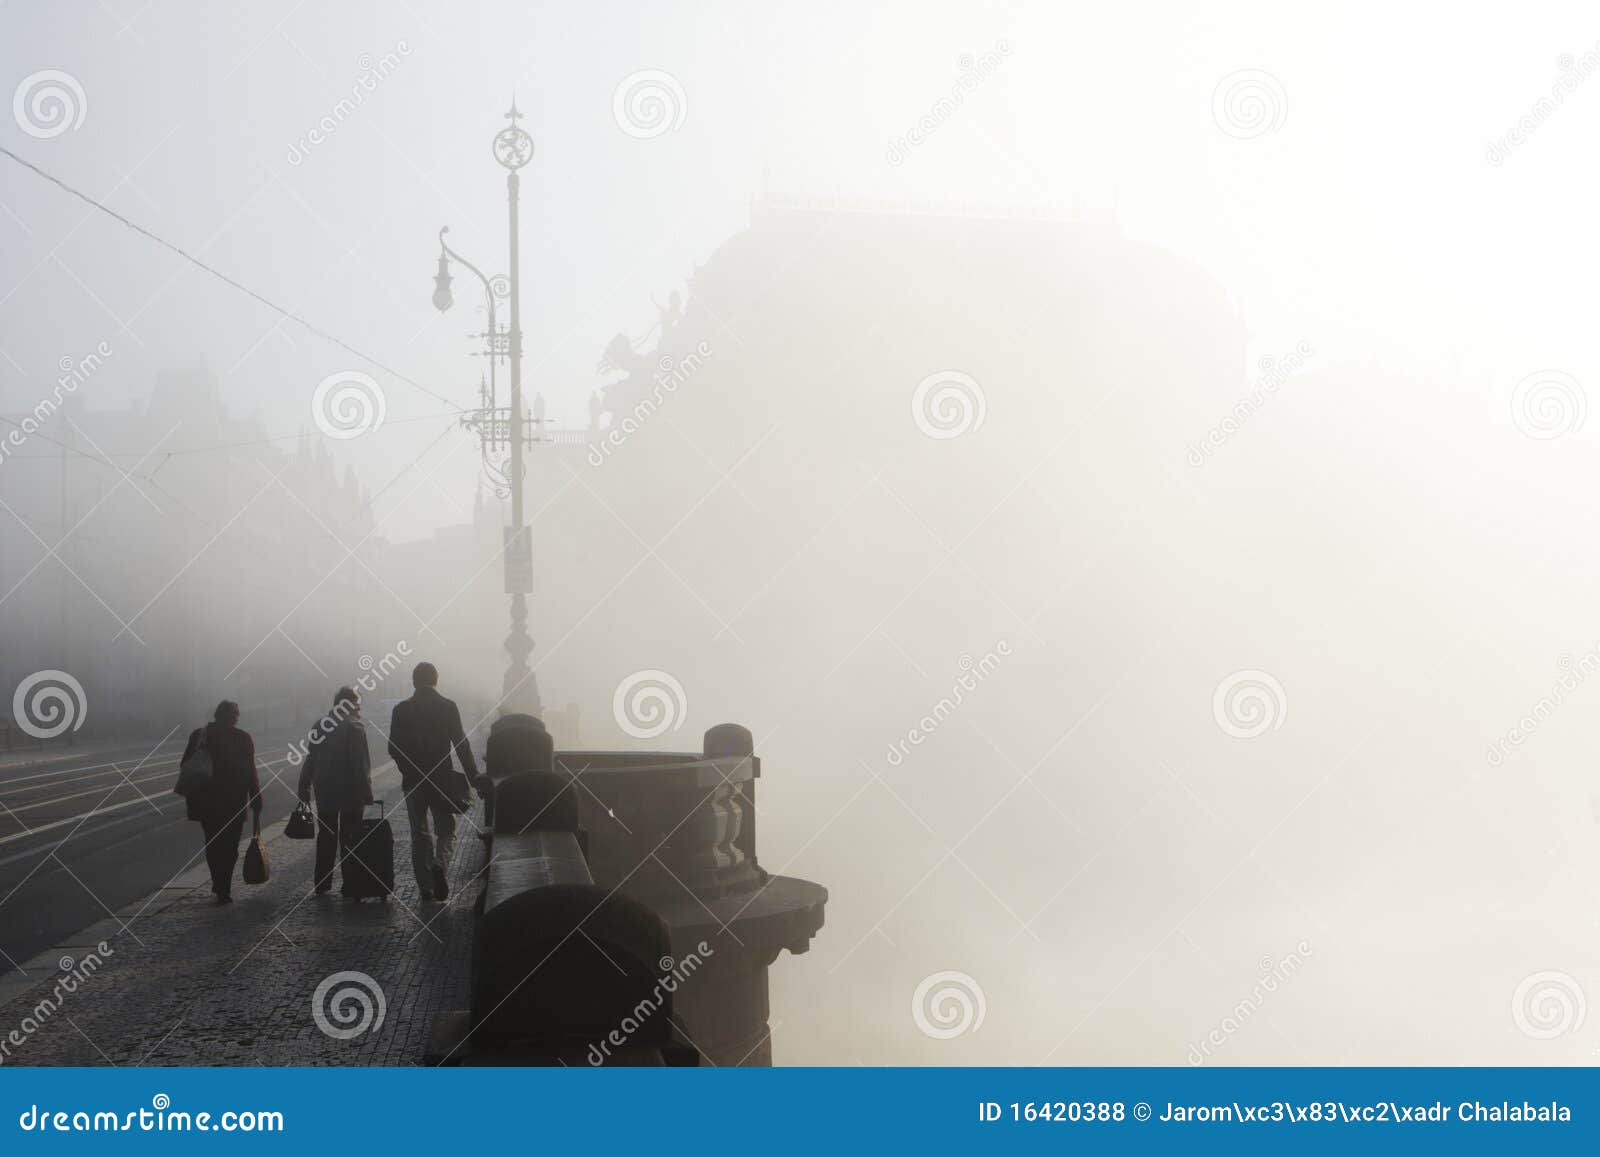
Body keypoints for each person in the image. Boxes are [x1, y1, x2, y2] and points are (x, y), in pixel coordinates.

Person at [388, 662, 477, 902]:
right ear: (436, 680)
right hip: (441, 781)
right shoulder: (447, 707)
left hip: (413, 782)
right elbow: (461, 745)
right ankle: (440, 863)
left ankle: (425, 887)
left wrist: (408, 769)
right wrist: (474, 776)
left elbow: (393, 748)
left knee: (419, 834)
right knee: (446, 830)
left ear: (414, 681)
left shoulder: (401, 710)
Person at [181, 700, 262, 904]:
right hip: (233, 801)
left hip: (206, 800)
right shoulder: (243, 738)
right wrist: (255, 796)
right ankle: (223, 886)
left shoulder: (200, 735)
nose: (236, 718)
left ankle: (219, 883)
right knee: (230, 846)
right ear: (232, 717)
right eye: (236, 714)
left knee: (213, 843)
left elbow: (185, 764)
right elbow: (250, 771)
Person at [295, 687, 373, 896]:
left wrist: (304, 785)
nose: (359, 707)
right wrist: (366, 791)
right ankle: (350, 882)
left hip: (325, 792)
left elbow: (311, 758)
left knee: (327, 836)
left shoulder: (320, 725)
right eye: (357, 704)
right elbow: (360, 764)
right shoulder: (355, 727)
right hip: (351, 793)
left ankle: (322, 882)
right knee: (350, 837)